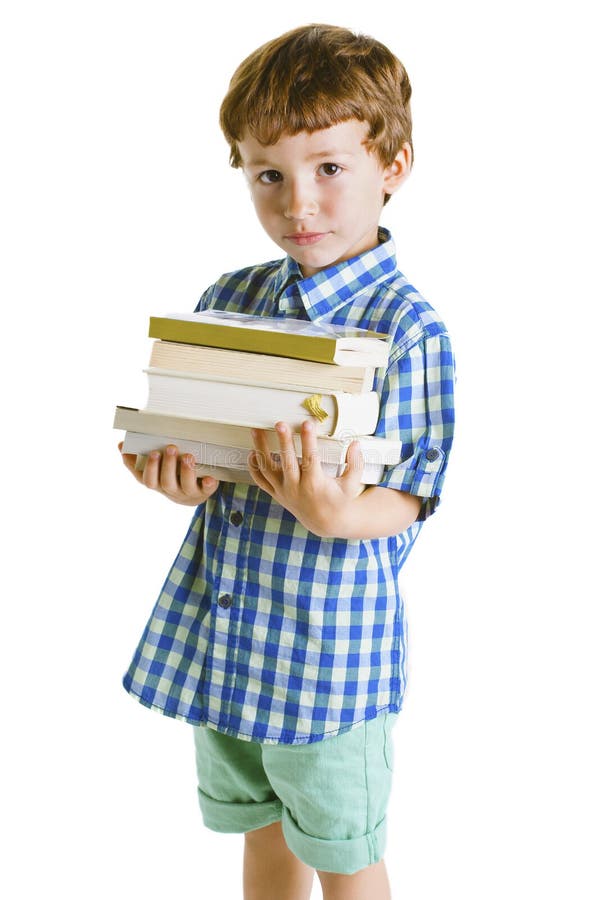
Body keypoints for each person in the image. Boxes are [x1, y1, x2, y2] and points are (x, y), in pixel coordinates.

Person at [119, 23, 455, 900]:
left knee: (344, 851)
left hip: (327, 651)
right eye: (269, 175)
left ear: (395, 164)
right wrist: (175, 476)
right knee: (260, 831)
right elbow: (202, 450)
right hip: (229, 630)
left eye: (330, 169)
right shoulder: (229, 300)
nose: (298, 203)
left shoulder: (408, 329)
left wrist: (341, 514)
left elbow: (417, 489)